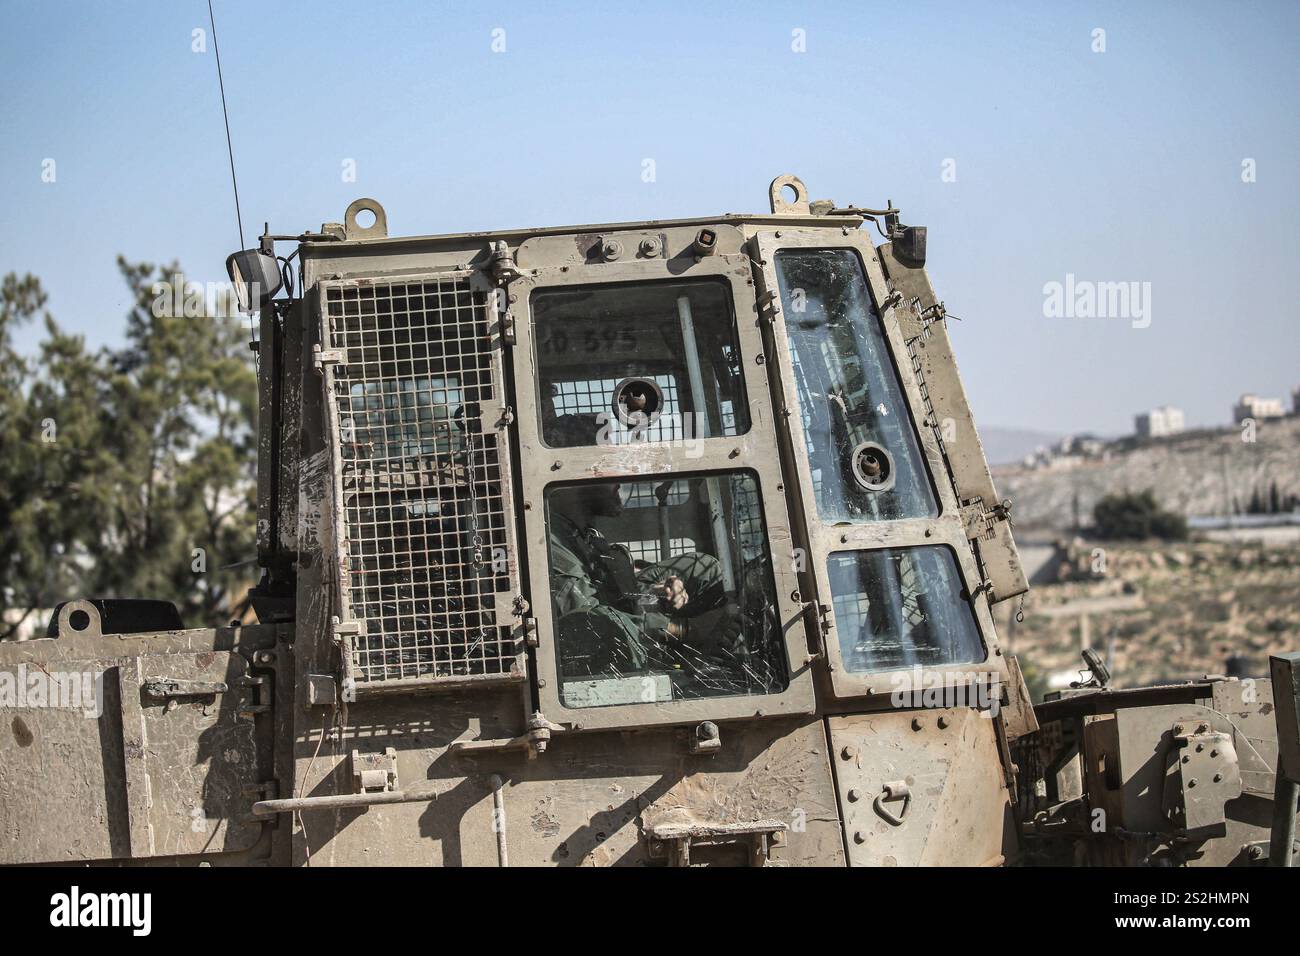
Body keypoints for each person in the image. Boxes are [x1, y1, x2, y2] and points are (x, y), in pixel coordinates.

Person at [546, 482, 743, 680]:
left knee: (703, 567)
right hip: (606, 657)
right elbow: (592, 624)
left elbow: (609, 591)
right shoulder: (555, 547)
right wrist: (684, 629)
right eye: (604, 474)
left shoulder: (582, 532)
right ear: (574, 482)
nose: (618, 482)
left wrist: (653, 595)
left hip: (623, 617)